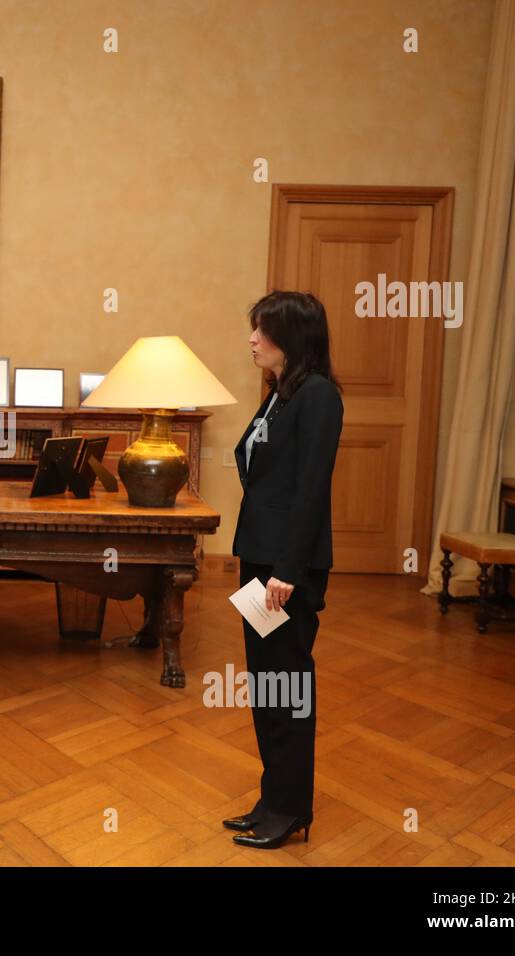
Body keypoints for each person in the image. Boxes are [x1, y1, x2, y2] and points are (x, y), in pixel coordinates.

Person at [227, 290, 344, 849]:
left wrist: (289, 568)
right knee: (264, 681)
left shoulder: (319, 397)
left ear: (291, 338)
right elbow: (259, 470)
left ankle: (293, 806)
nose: (252, 339)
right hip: (258, 559)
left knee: (288, 682)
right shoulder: (279, 394)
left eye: (261, 330)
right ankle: (272, 798)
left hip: (285, 571)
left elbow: (310, 489)